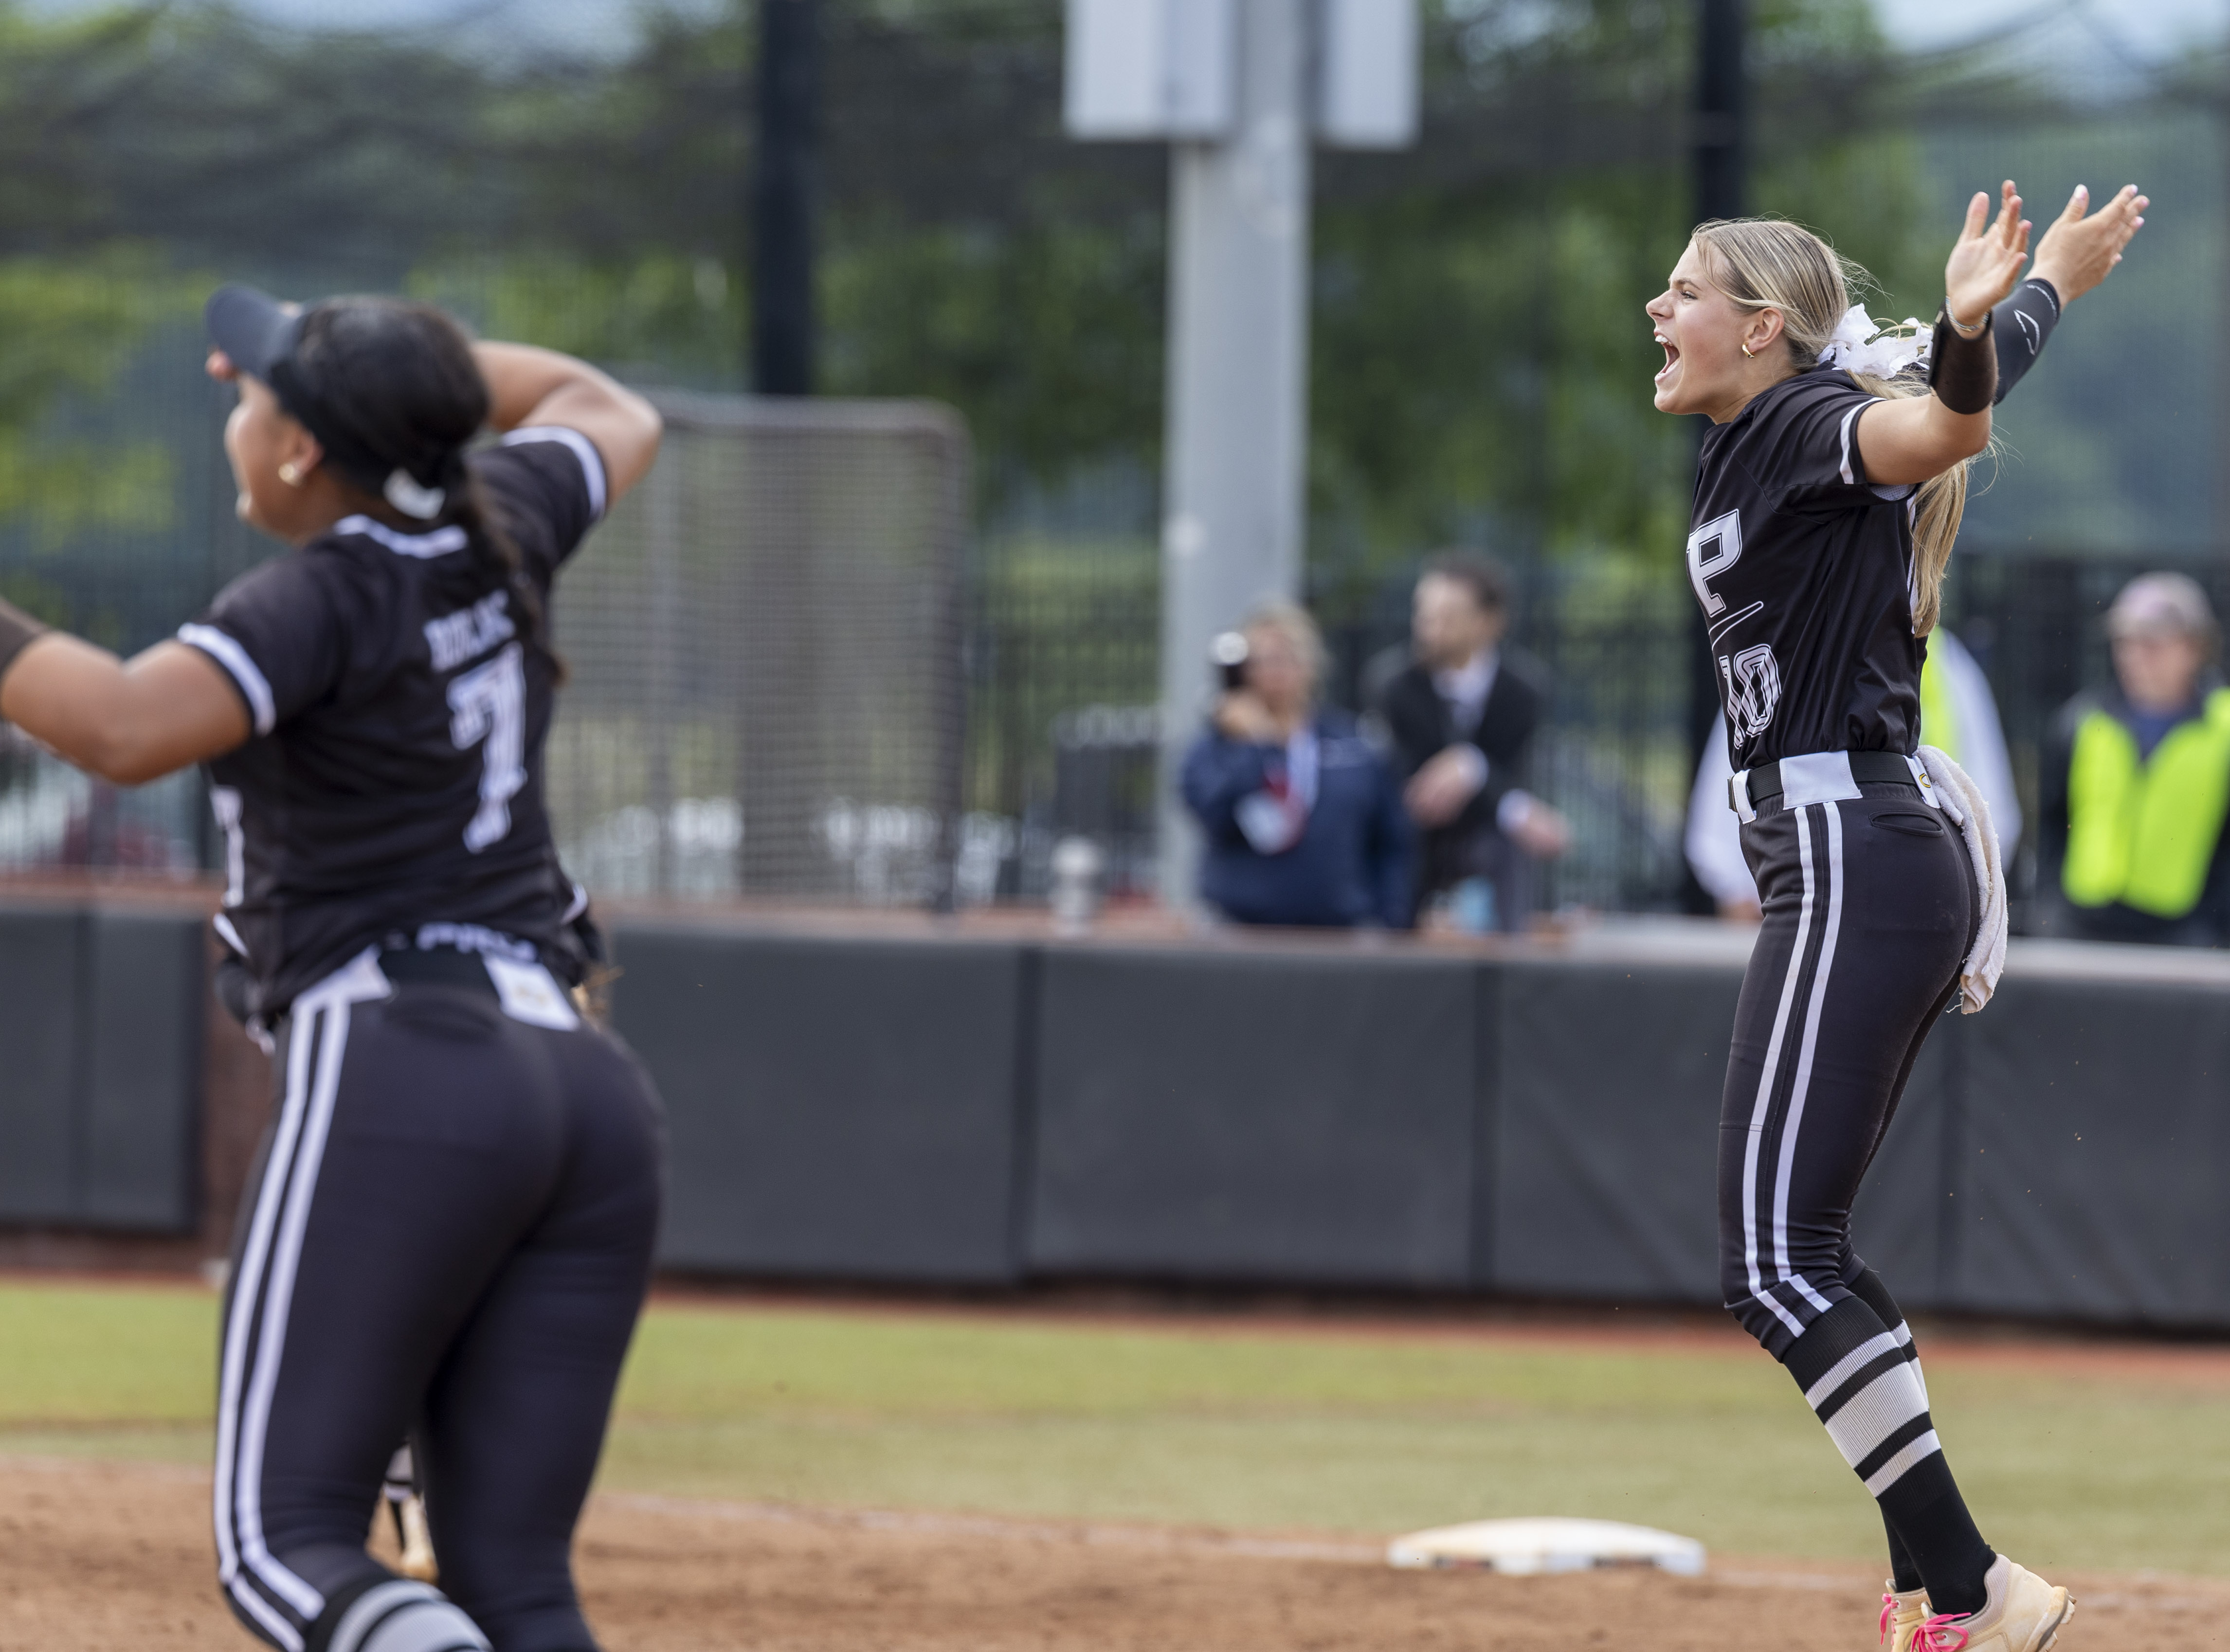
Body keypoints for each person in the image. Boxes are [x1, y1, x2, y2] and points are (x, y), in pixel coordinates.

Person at [0, 286, 664, 1652]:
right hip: (583, 1086)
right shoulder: (502, 529)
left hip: (407, 1064)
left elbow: (119, 727)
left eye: (251, 399)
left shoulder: (322, 594)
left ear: (301, 448)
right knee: (512, 1580)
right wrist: (402, 377)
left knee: (283, 1543)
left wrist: (386, 378)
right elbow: (612, 406)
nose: (231, 415)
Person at [1647, 174, 2143, 1652]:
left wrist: (1986, 328)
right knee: (1806, 1242)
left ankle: (1977, 1587)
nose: (1659, 309)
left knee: (1770, 1258)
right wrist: (2033, 288)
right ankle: (1935, 1598)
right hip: (1852, 851)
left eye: (1685, 290)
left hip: (1854, 844)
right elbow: (1940, 381)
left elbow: (1944, 423)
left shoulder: (1801, 420)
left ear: (1761, 326)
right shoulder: (1761, 436)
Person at [1686, 627, 2022, 922]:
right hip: (1806, 908)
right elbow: (1726, 806)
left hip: (1906, 912)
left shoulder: (1946, 665)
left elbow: (1990, 819)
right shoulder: (1783, 652)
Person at [1180, 600, 1411, 929]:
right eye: (1260, 661)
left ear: (1311, 663)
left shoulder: (1352, 744)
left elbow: (1392, 839)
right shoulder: (1216, 745)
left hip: (1336, 930)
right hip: (1238, 929)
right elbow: (1213, 813)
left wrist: (1389, 918)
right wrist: (1256, 744)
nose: (1274, 672)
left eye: (1286, 657)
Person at [1376, 555, 1570, 932]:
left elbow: (1506, 775)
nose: (1429, 628)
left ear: (1489, 622)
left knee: (1513, 841)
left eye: (1447, 616)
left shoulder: (1523, 692)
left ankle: (1512, 954)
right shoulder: (1393, 685)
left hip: (1487, 835)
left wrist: (1470, 768)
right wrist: (1482, 779)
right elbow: (1415, 778)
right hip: (1417, 833)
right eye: (1424, 613)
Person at [2041, 571, 2230, 946]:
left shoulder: (2224, 727)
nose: (2133, 657)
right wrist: (2050, 910)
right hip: (2081, 926)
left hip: (2186, 933)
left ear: (2194, 648)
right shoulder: (2080, 720)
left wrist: (2214, 929)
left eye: (2152, 643)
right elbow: (2052, 823)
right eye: (2124, 643)